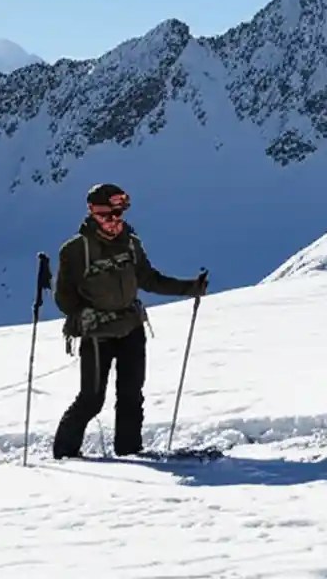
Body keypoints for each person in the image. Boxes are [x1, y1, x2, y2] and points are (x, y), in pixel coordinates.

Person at [52, 183, 208, 459]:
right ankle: (64, 453)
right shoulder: (76, 250)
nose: (114, 223)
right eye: (107, 216)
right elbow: (64, 296)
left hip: (131, 327)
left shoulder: (132, 244)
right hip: (97, 334)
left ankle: (129, 451)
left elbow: (149, 279)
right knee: (91, 399)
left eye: (118, 215)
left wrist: (190, 288)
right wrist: (80, 314)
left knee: (131, 395)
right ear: (92, 213)